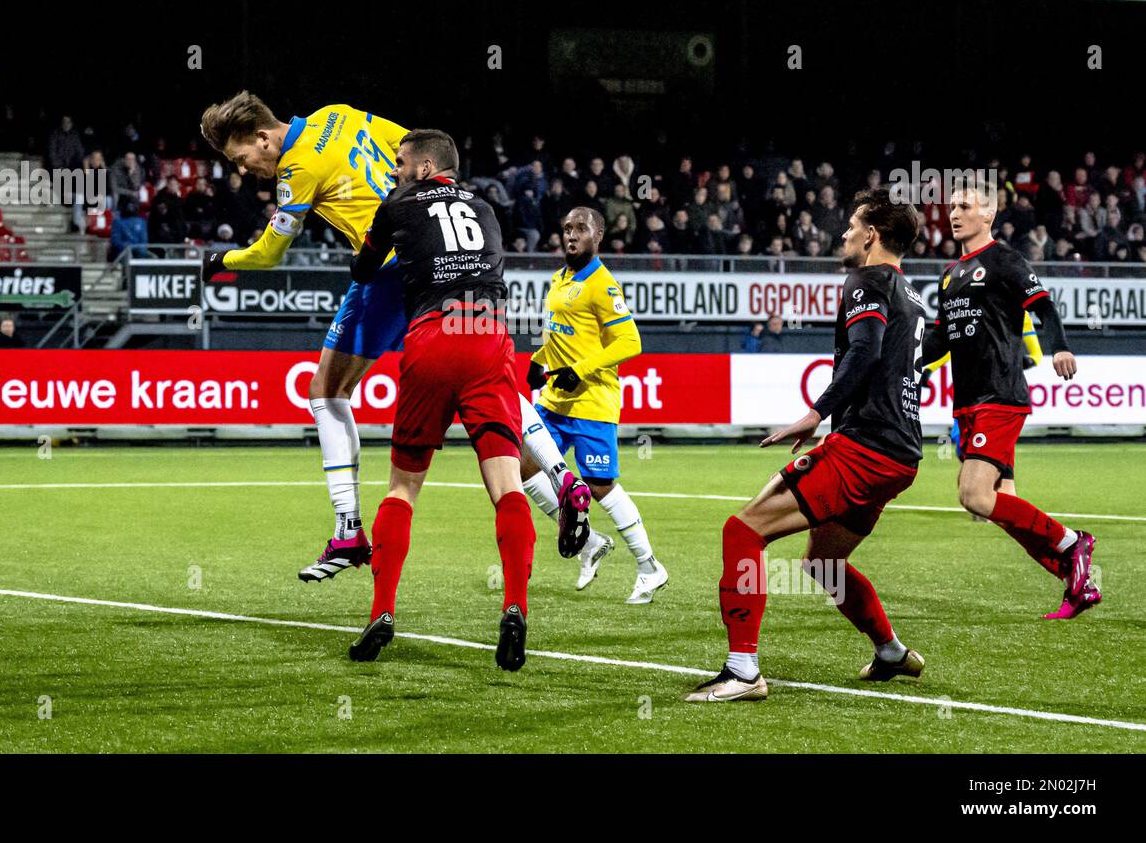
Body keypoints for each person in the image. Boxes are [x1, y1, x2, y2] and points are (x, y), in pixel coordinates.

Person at [199, 93, 581, 583]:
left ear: (262, 137)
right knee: (483, 377)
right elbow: (410, 149)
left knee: (327, 391)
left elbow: (270, 253)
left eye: (241, 158)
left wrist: (221, 261)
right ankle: (563, 482)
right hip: (440, 254)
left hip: (385, 270)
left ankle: (348, 530)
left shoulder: (296, 169)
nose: (244, 170)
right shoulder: (337, 115)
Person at [688, 189, 925, 702]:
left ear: (871, 235)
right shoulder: (911, 294)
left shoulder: (866, 279)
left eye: (851, 225)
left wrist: (815, 412)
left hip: (866, 448)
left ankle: (743, 671)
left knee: (742, 532)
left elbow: (865, 351)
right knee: (824, 562)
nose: (843, 234)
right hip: (900, 454)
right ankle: (889, 651)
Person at [344, 129, 536, 671]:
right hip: (489, 336)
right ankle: (515, 606)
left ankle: (382, 611)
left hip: (432, 335)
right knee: (506, 485)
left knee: (403, 487)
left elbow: (363, 270)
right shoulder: (487, 206)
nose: (396, 171)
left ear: (427, 167)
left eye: (403, 163)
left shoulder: (397, 203)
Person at [921, 184, 1098, 620]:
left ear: (988, 217)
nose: (955, 214)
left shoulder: (1004, 260)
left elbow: (1043, 306)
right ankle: (1076, 585)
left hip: (1000, 394)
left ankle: (1073, 544)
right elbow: (942, 337)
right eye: (953, 207)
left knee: (973, 495)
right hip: (968, 402)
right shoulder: (949, 274)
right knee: (1002, 503)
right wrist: (908, 363)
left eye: (965, 207)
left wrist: (1059, 347)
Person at [526, 206, 668, 603]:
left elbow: (630, 342)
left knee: (600, 487)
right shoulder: (560, 278)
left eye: (581, 229)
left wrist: (581, 369)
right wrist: (540, 363)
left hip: (591, 402)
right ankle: (588, 543)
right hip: (554, 401)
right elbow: (558, 337)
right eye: (567, 228)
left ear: (598, 235)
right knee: (522, 464)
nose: (571, 235)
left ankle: (649, 566)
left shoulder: (603, 285)